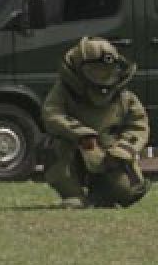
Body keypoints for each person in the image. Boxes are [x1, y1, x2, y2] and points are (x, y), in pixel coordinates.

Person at [42, 37, 150, 208]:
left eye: (107, 71)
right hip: (75, 148)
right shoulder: (64, 90)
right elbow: (52, 113)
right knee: (53, 147)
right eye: (96, 71)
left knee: (128, 191)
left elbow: (138, 125)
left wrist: (124, 148)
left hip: (110, 153)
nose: (102, 77)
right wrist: (80, 133)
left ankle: (102, 195)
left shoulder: (124, 96)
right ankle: (73, 194)